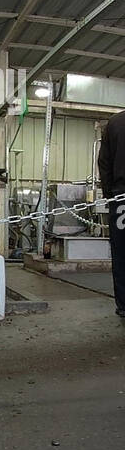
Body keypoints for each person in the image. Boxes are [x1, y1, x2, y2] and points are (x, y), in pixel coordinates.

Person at [101, 105, 125, 323]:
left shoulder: (114, 123)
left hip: (120, 198)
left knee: (121, 252)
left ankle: (124, 305)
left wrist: (110, 196)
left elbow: (104, 163)